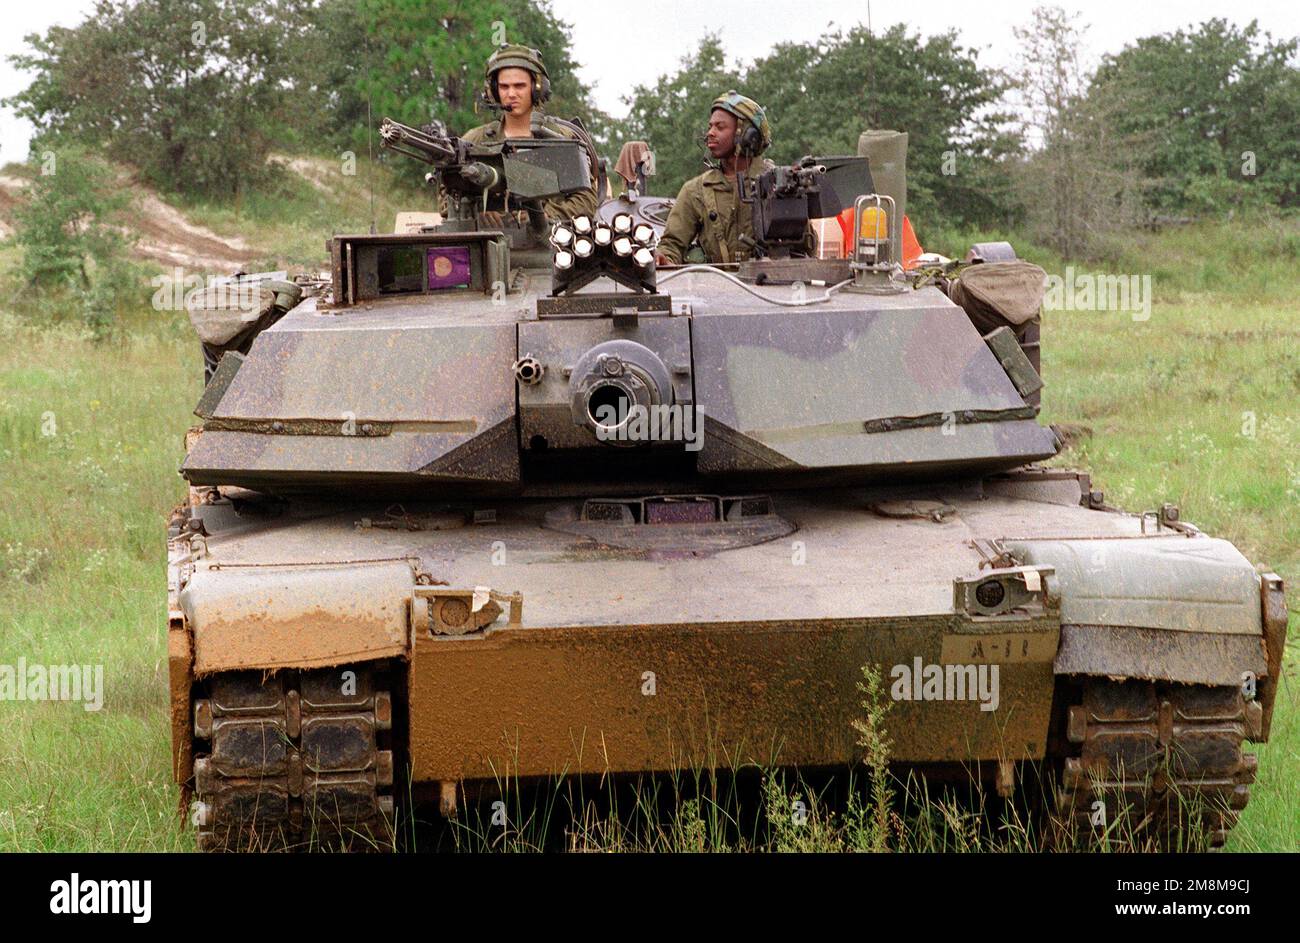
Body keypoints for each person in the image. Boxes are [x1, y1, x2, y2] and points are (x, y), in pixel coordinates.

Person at [450, 44, 600, 225]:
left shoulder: (559, 139)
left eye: (519, 86)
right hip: (489, 240)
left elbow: (586, 199)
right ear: (494, 90)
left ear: (537, 88)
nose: (511, 94)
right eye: (504, 87)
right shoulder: (475, 140)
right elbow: (448, 193)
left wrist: (546, 216)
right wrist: (477, 213)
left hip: (550, 242)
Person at [656, 91, 774, 265]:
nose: (710, 133)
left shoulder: (777, 184)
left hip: (771, 288)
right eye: (710, 126)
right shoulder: (696, 190)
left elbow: (804, 246)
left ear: (747, 135)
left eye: (720, 127)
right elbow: (672, 245)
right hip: (714, 289)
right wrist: (663, 258)